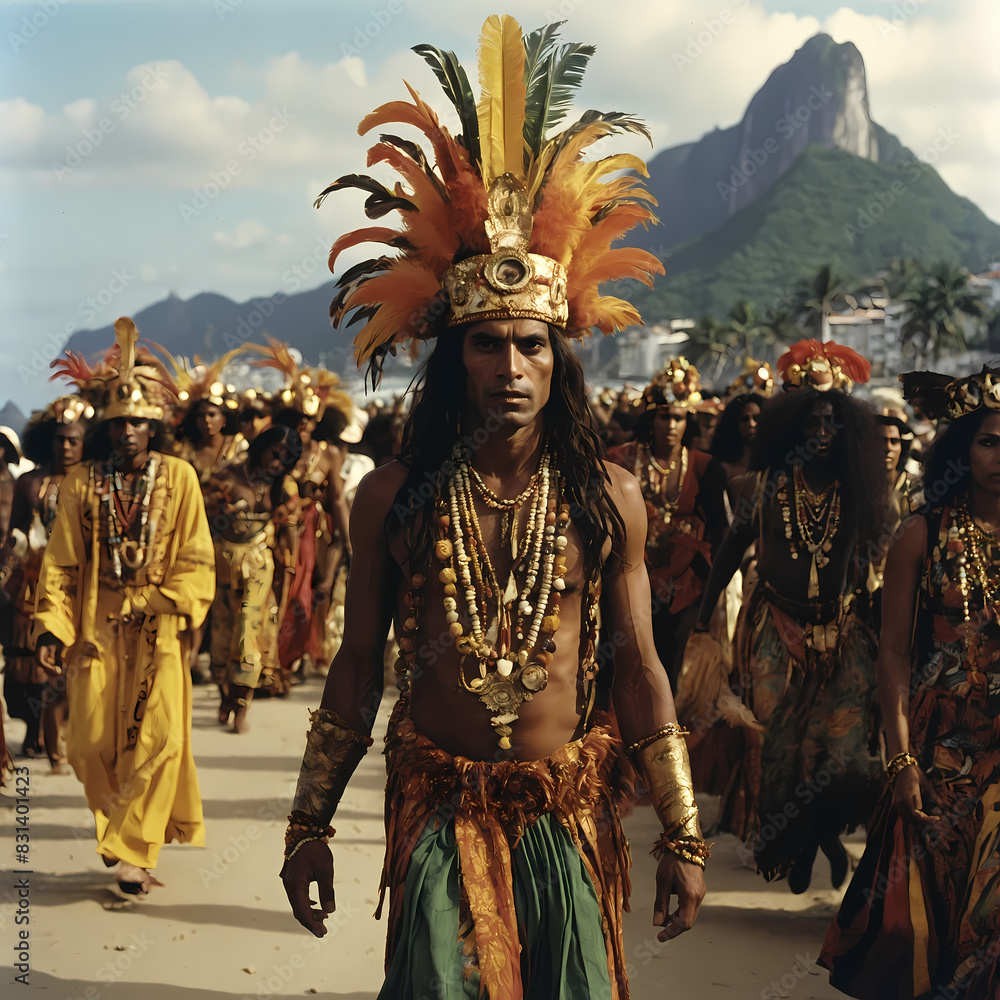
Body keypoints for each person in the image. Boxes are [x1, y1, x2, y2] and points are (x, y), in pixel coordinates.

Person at [280, 16, 707, 999]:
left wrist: (683, 829)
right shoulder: (394, 498)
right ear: (452, 357)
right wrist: (307, 824)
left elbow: (638, 666)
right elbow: (356, 663)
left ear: (559, 359)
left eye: (529, 344)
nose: (509, 366)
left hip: (566, 817)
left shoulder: (609, 498)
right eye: (486, 343)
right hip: (438, 815)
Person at [820, 367, 1000, 1000]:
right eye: (988, 441)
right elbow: (894, 652)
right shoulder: (922, 534)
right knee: (937, 915)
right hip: (942, 745)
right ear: (961, 449)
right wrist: (900, 757)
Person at [692, 341, 887, 894]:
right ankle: (793, 844)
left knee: (844, 753)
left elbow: (879, 562)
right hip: (777, 628)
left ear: (846, 428)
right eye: (810, 422)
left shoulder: (862, 493)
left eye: (831, 422)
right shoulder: (765, 488)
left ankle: (825, 833)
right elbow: (731, 550)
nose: (821, 431)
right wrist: (706, 617)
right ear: (791, 430)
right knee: (778, 749)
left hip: (845, 632)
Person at [32, 317, 215, 895]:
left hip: (158, 628)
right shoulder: (82, 483)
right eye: (118, 423)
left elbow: (196, 557)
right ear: (106, 428)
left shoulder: (181, 478)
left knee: (159, 737)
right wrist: (51, 629)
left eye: (138, 421)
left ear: (154, 425)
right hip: (96, 626)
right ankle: (115, 824)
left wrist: (161, 600)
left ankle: (136, 850)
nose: (128, 431)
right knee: (87, 742)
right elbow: (60, 561)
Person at [606, 359, 727, 686]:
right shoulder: (620, 459)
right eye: (664, 416)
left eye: (678, 418)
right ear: (651, 419)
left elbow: (720, 529)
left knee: (673, 660)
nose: (671, 425)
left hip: (687, 583)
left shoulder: (705, 466)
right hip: (628, 572)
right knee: (623, 656)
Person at [2, 396, 90, 770]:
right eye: (60, 439)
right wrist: (6, 573)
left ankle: (63, 737)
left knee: (70, 661)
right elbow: (16, 534)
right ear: (48, 441)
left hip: (81, 583)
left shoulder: (96, 481)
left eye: (73, 439)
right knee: (25, 661)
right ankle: (33, 730)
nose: (66, 446)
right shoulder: (28, 482)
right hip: (31, 583)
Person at [205, 423, 301, 731]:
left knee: (248, 628)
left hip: (259, 566)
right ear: (262, 446)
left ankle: (243, 706)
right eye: (275, 453)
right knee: (221, 631)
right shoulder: (228, 477)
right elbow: (204, 520)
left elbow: (289, 531)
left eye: (286, 458)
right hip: (221, 563)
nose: (277, 463)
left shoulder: (285, 487)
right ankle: (225, 695)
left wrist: (290, 568)